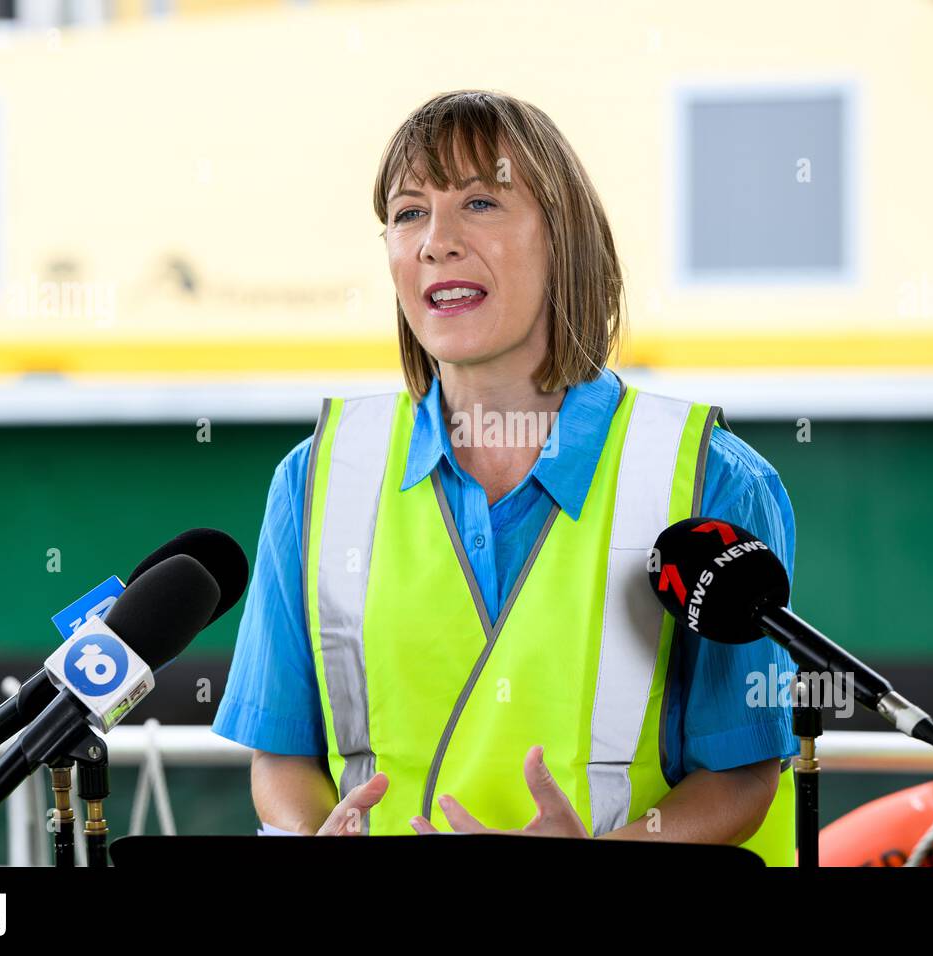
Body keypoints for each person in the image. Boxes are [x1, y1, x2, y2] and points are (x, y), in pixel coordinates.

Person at [213, 90, 800, 855]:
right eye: (409, 212)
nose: (435, 241)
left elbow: (743, 779)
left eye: (481, 202)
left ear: (567, 241)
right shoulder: (315, 480)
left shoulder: (712, 481)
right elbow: (283, 759)